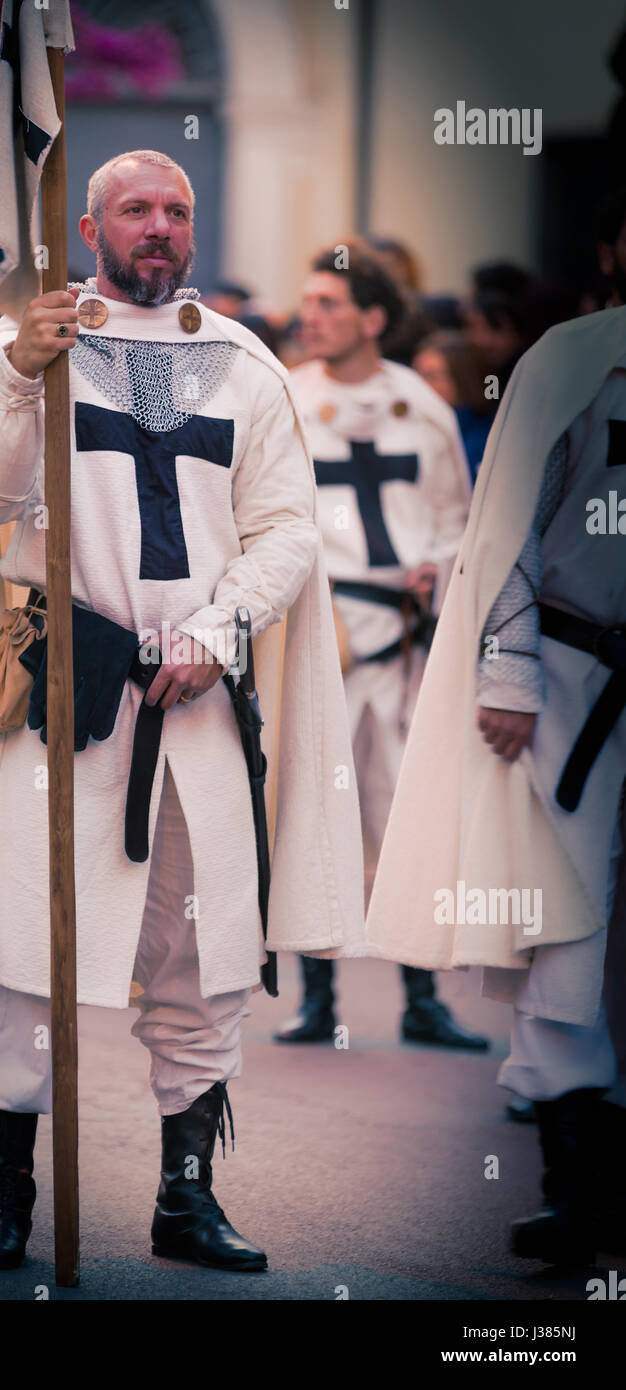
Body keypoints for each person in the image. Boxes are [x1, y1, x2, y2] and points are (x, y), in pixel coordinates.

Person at [0, 150, 365, 1274]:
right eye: (135, 210)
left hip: (197, 706)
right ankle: (8, 1197)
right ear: (89, 228)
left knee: (203, 962)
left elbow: (286, 526)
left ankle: (184, 1200)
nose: (158, 227)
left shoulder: (242, 362)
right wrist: (15, 372)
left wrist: (218, 627)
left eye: (175, 210)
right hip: (68, 702)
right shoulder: (23, 344)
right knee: (21, 955)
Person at [366, 303, 626, 1265]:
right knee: (560, 911)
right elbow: (508, 523)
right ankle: (582, 1183)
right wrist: (508, 671)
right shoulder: (575, 359)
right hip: (565, 681)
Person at [275, 251, 487, 1052]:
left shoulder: (418, 406)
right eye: (306, 303)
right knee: (310, 812)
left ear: (371, 317)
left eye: (328, 303)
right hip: (313, 634)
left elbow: (457, 515)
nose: (311, 316)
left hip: (397, 638)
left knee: (404, 815)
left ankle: (421, 996)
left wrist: (439, 566)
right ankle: (315, 996)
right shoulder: (289, 397)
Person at [412, 330, 495, 483]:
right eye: (416, 375)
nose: (420, 385)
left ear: (463, 379)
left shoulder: (486, 441)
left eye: (432, 376)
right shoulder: (413, 427)